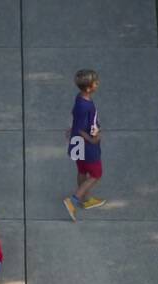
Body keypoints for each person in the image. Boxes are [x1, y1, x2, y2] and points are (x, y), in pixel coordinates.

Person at [63, 69, 105, 221]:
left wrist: (72, 129)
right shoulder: (85, 106)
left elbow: (76, 120)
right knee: (96, 174)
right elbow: (81, 129)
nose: (97, 84)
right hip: (86, 145)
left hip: (77, 143)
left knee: (82, 170)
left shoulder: (80, 98)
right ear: (89, 88)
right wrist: (93, 140)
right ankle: (73, 200)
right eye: (96, 82)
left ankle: (86, 200)